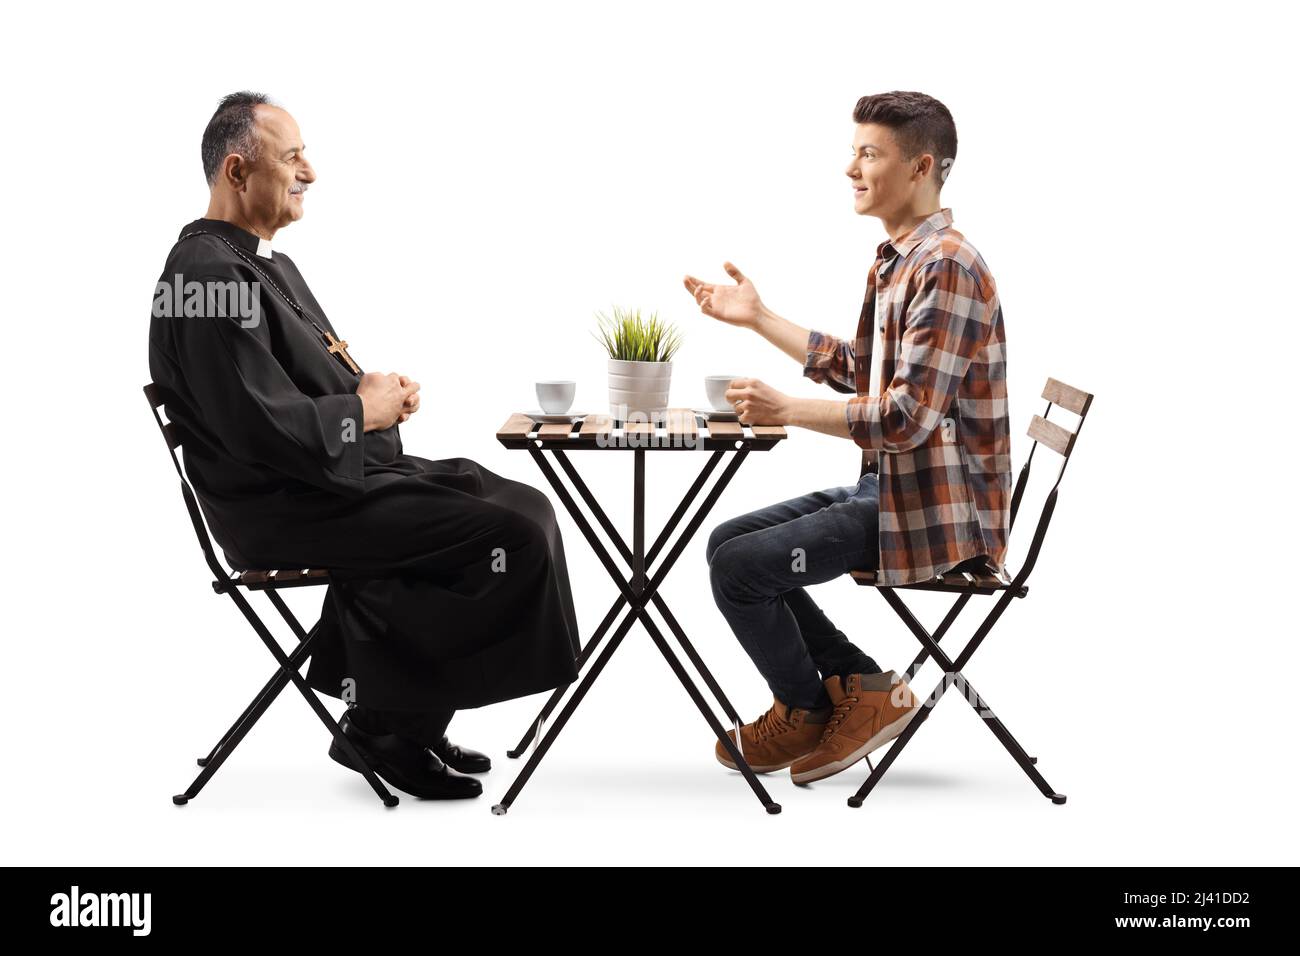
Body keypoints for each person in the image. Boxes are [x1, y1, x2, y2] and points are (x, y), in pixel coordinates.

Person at [148, 92, 582, 800]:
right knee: (500, 534)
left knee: (515, 501)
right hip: (284, 505)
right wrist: (362, 410)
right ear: (236, 170)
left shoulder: (260, 265)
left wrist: (377, 394)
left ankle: (399, 715)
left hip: (328, 479)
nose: (309, 171)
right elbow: (257, 427)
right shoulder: (205, 276)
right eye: (292, 156)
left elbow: (312, 380)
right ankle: (389, 727)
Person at [683, 91, 1011, 785]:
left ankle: (808, 705)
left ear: (921, 167)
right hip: (894, 489)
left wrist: (788, 411)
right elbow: (863, 370)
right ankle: (859, 689)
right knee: (725, 547)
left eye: (869, 154)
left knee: (742, 571)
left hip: (938, 515)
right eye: (854, 151)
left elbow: (905, 417)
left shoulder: (946, 263)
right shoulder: (902, 258)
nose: (851, 168)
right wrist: (757, 316)